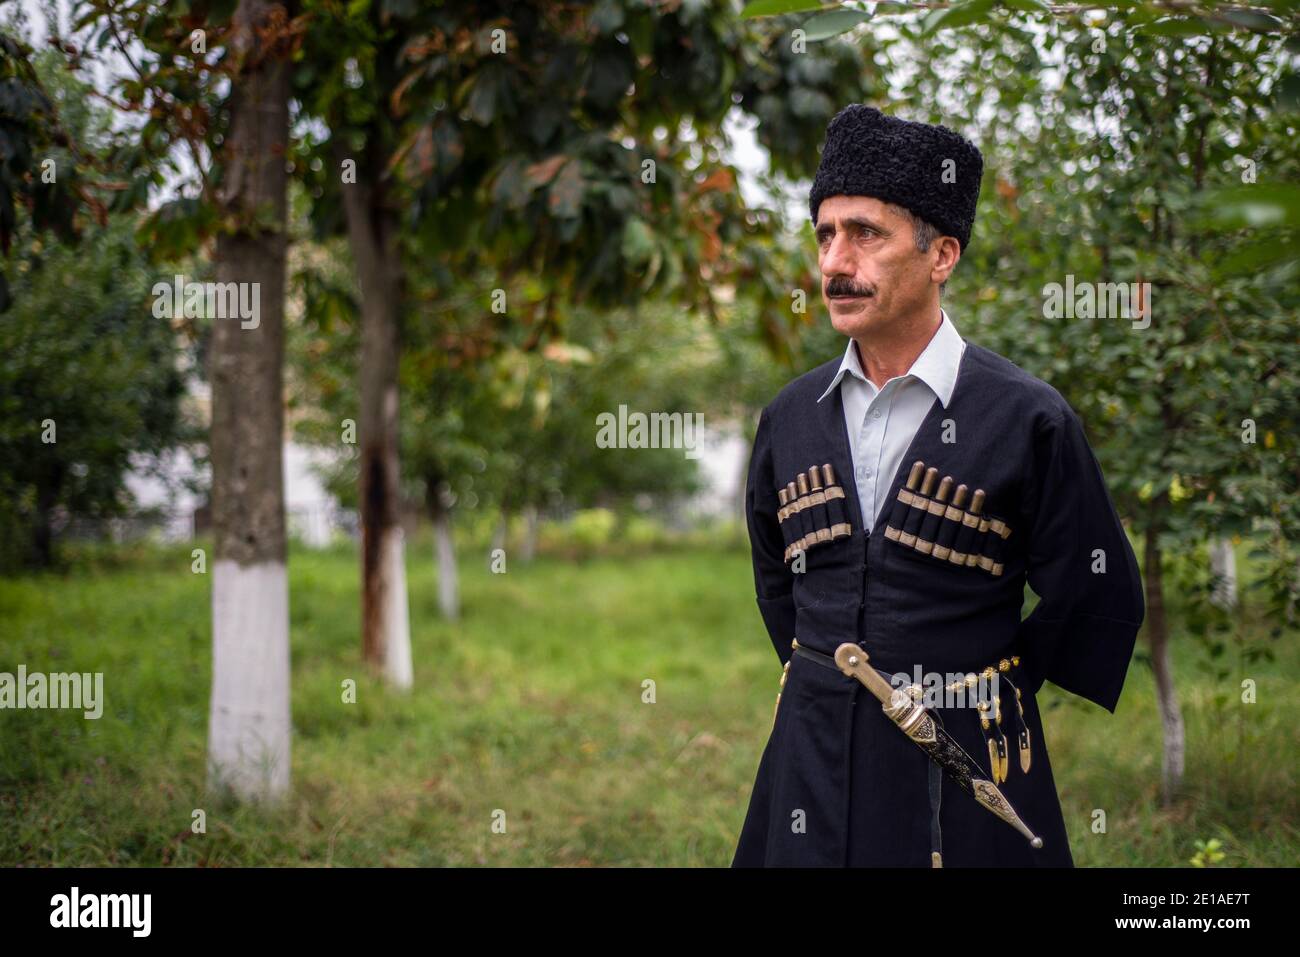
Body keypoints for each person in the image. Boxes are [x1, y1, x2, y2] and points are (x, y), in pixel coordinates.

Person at [732, 104, 1145, 867]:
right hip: (810, 748)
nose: (834, 261)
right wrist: (827, 674)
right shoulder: (790, 417)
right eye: (825, 234)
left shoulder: (1027, 416)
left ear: (942, 254)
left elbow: (1093, 587)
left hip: (966, 751)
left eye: (865, 233)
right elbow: (774, 580)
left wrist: (985, 677)